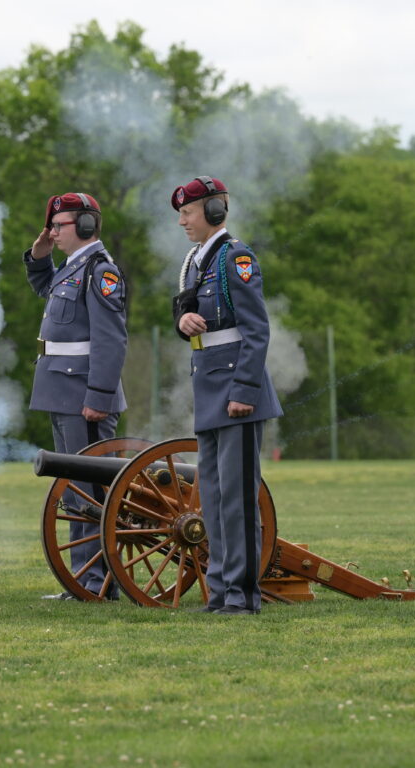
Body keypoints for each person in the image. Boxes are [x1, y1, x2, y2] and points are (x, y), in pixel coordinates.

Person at [170, 176, 282, 615]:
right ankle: (220, 593)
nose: (182, 221)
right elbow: (188, 311)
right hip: (209, 386)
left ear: (215, 212)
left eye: (188, 213)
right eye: (180, 214)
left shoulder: (236, 258)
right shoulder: (196, 262)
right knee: (213, 499)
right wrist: (184, 323)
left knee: (237, 499)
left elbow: (257, 330)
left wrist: (244, 391)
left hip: (236, 391)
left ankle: (243, 596)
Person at [25, 192, 128, 599]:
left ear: (85, 226)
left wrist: (99, 396)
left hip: (83, 392)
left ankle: (97, 582)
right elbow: (45, 288)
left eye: (59, 225)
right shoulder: (72, 268)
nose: (52, 231)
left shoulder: (100, 271)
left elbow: (111, 340)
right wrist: (38, 255)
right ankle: (82, 580)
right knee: (74, 489)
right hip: (59, 387)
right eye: (51, 224)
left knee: (90, 492)